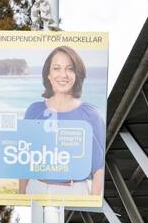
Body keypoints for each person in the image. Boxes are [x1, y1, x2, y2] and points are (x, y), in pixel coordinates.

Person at [20, 45, 105, 199]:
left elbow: (98, 168)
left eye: (70, 69)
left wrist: (92, 201)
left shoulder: (91, 115)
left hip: (74, 192)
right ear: (48, 75)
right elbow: (24, 161)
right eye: (57, 68)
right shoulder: (34, 111)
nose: (63, 75)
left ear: (77, 74)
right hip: (35, 188)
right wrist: (21, 196)